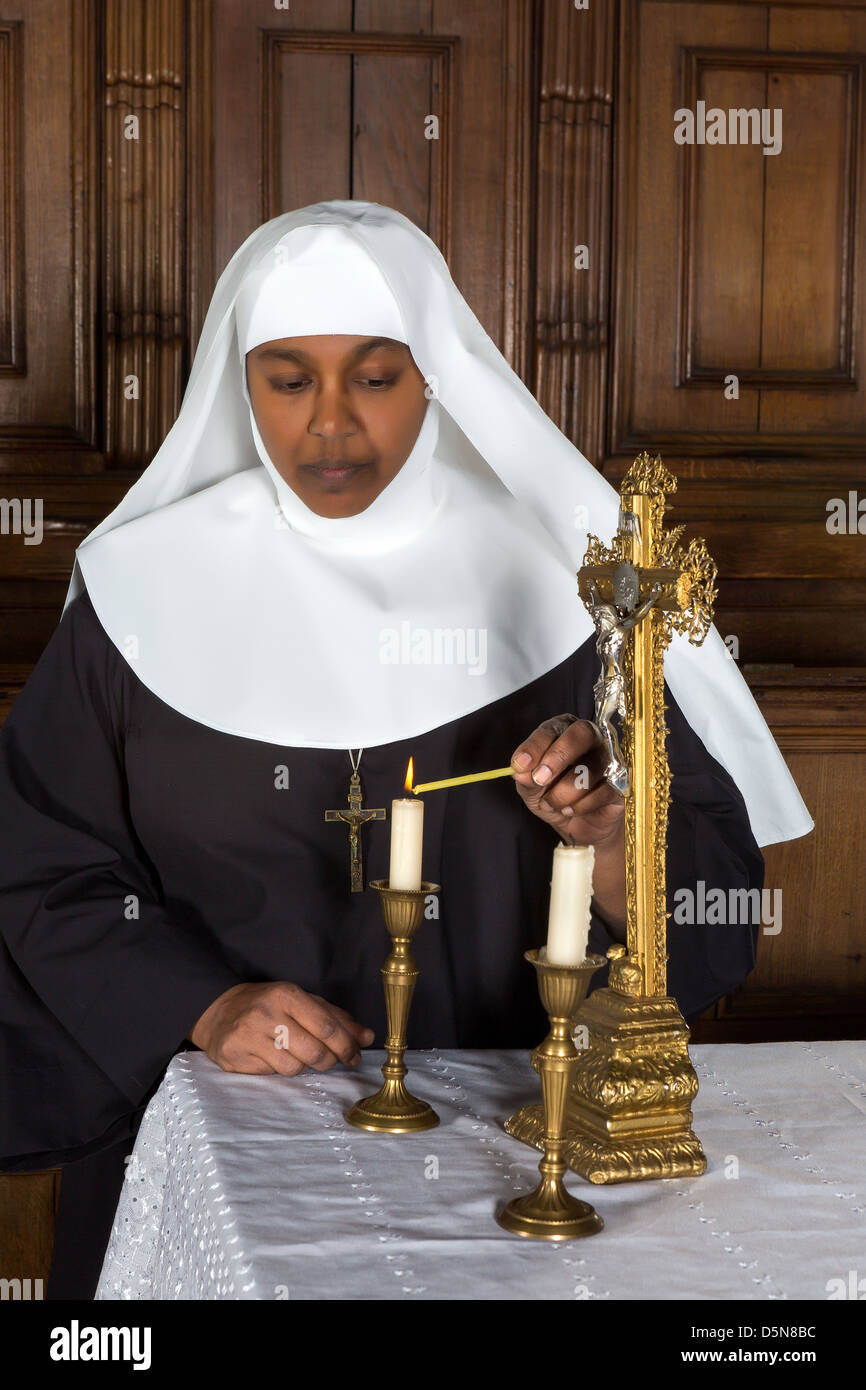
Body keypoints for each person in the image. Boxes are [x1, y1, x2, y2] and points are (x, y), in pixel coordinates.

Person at [0, 201, 812, 1298]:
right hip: (199, 1137)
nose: (330, 426)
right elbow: (40, 866)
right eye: (287, 380)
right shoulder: (141, 591)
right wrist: (201, 1004)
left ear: (434, 376)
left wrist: (614, 842)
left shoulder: (563, 590)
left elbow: (707, 905)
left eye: (374, 378)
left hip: (508, 1161)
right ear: (239, 386)